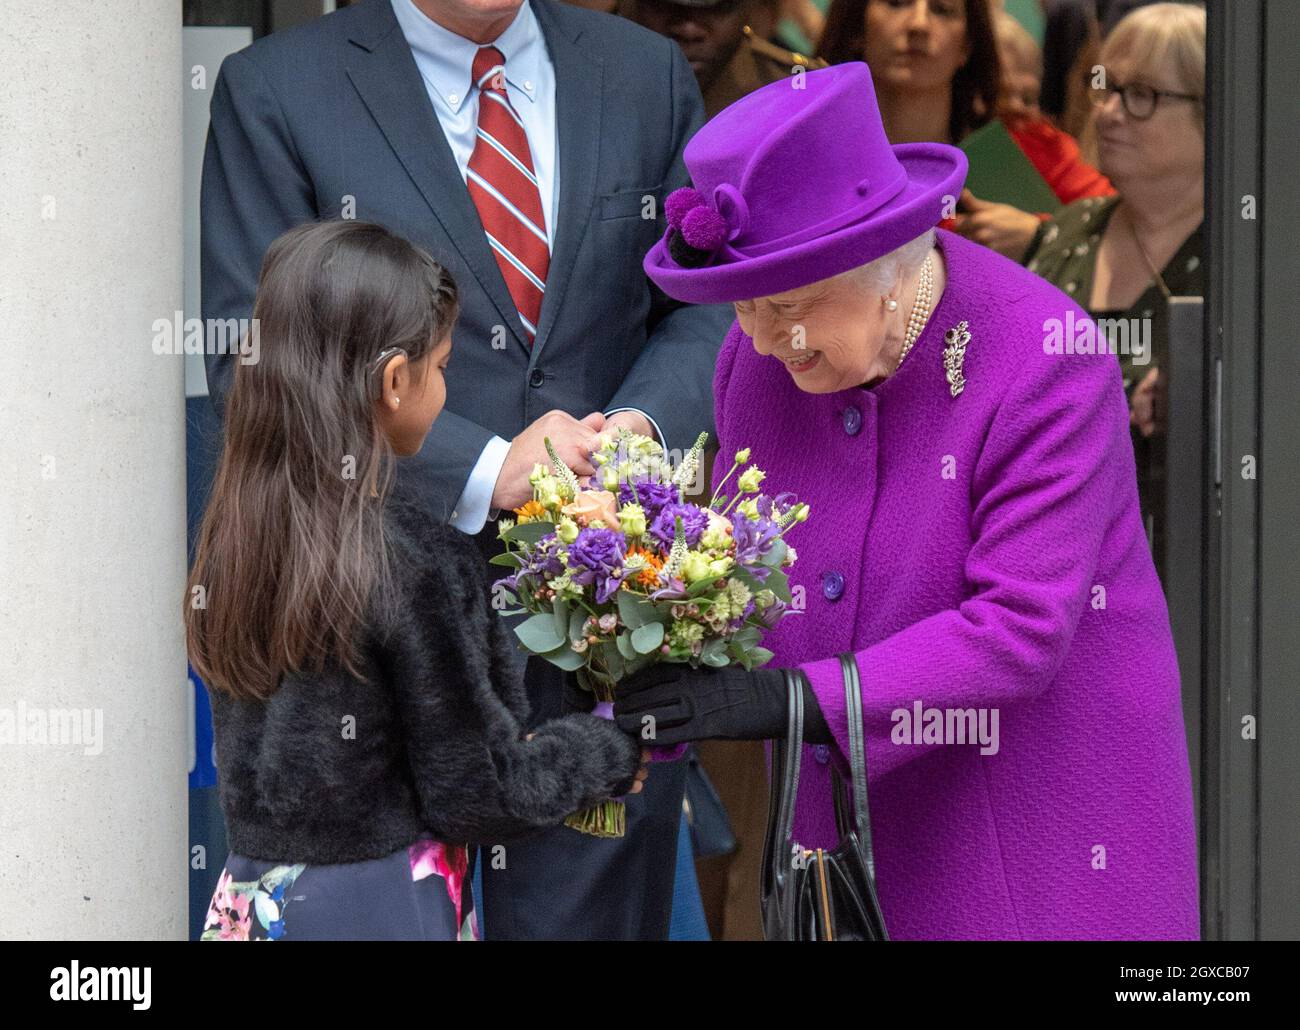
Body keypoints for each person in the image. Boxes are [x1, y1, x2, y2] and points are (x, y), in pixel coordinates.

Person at [200, 0, 732, 940]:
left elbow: (706, 301)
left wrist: (627, 444)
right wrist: (489, 468)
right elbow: (259, 349)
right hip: (362, 660)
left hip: (611, 620)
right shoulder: (276, 90)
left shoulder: (645, 73)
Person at [631, 61, 1200, 939]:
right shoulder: (758, 363)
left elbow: (1017, 631)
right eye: (740, 306)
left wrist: (793, 702)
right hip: (851, 825)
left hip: (1028, 807)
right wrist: (663, 664)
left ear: (887, 264)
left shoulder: (1045, 359)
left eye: (788, 304)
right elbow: (760, 572)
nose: (766, 339)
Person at [188, 220, 648, 941]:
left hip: (252, 907)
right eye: (439, 366)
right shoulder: (413, 559)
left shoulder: (236, 538)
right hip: (381, 911)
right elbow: (479, 792)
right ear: (394, 382)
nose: (443, 384)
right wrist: (607, 754)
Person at [1021, 2, 1204, 582]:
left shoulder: (1242, 258)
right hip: (1049, 565)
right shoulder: (1064, 234)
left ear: (1211, 113)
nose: (1109, 113)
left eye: (1142, 94)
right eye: (1106, 87)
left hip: (1193, 570)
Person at [816, 0, 1110, 260]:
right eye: (896, 3)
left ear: (967, 45)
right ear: (858, 26)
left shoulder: (1026, 146)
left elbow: (1122, 223)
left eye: (942, 10)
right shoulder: (814, 165)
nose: (919, 24)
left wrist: (1042, 235)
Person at [625, 0, 826, 118]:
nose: (689, 30)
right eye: (664, 5)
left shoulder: (796, 93)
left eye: (719, 9)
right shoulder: (598, 75)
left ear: (750, 9)